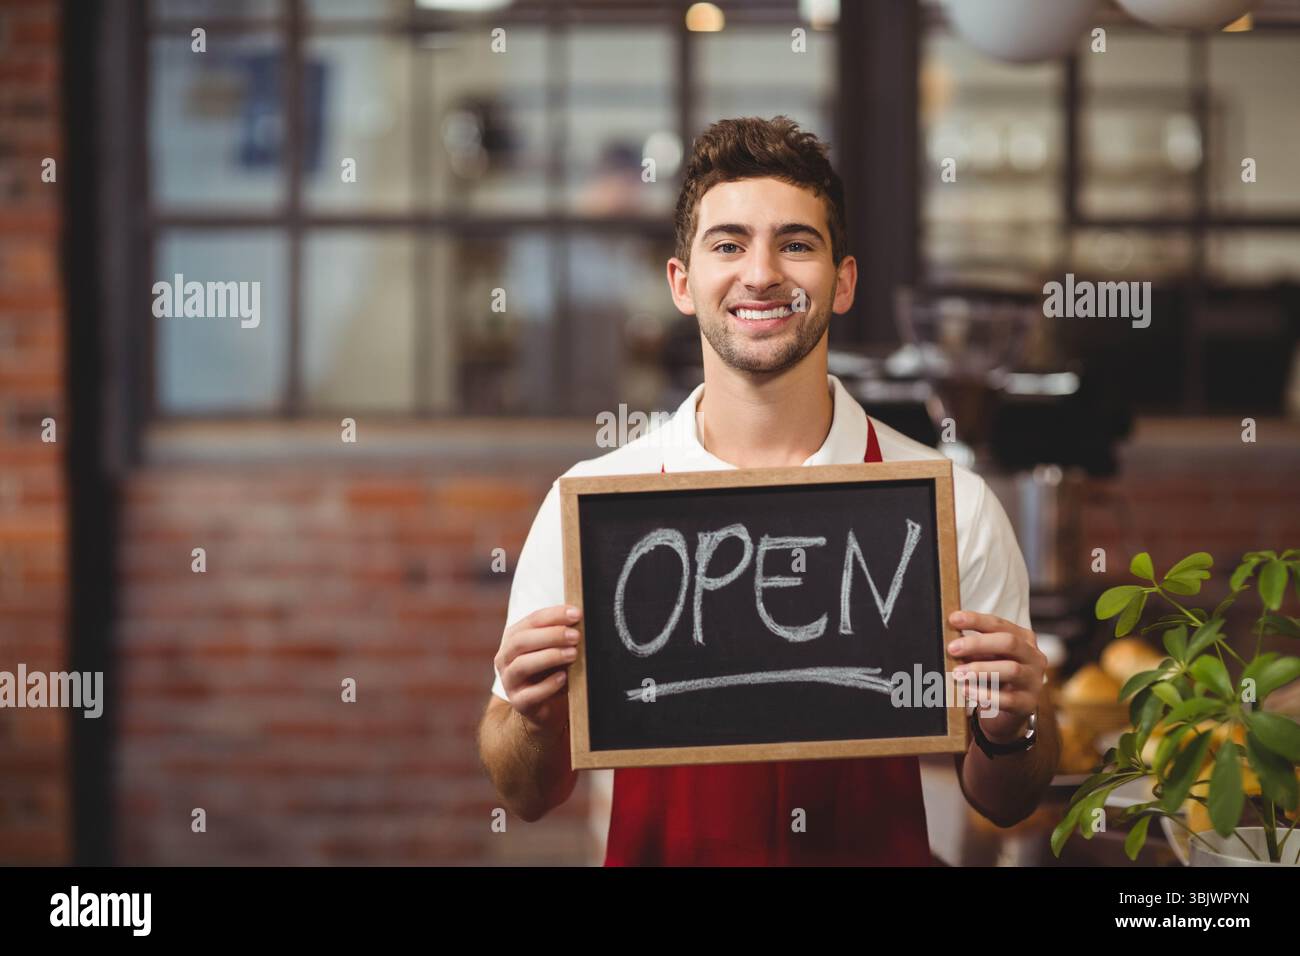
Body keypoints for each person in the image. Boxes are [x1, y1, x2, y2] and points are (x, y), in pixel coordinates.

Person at [478, 115, 1059, 865]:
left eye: (796, 243)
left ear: (842, 281)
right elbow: (525, 795)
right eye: (728, 244)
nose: (761, 274)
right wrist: (529, 714)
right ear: (682, 284)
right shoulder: (591, 507)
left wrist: (1014, 726)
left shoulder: (949, 505)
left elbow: (1004, 799)